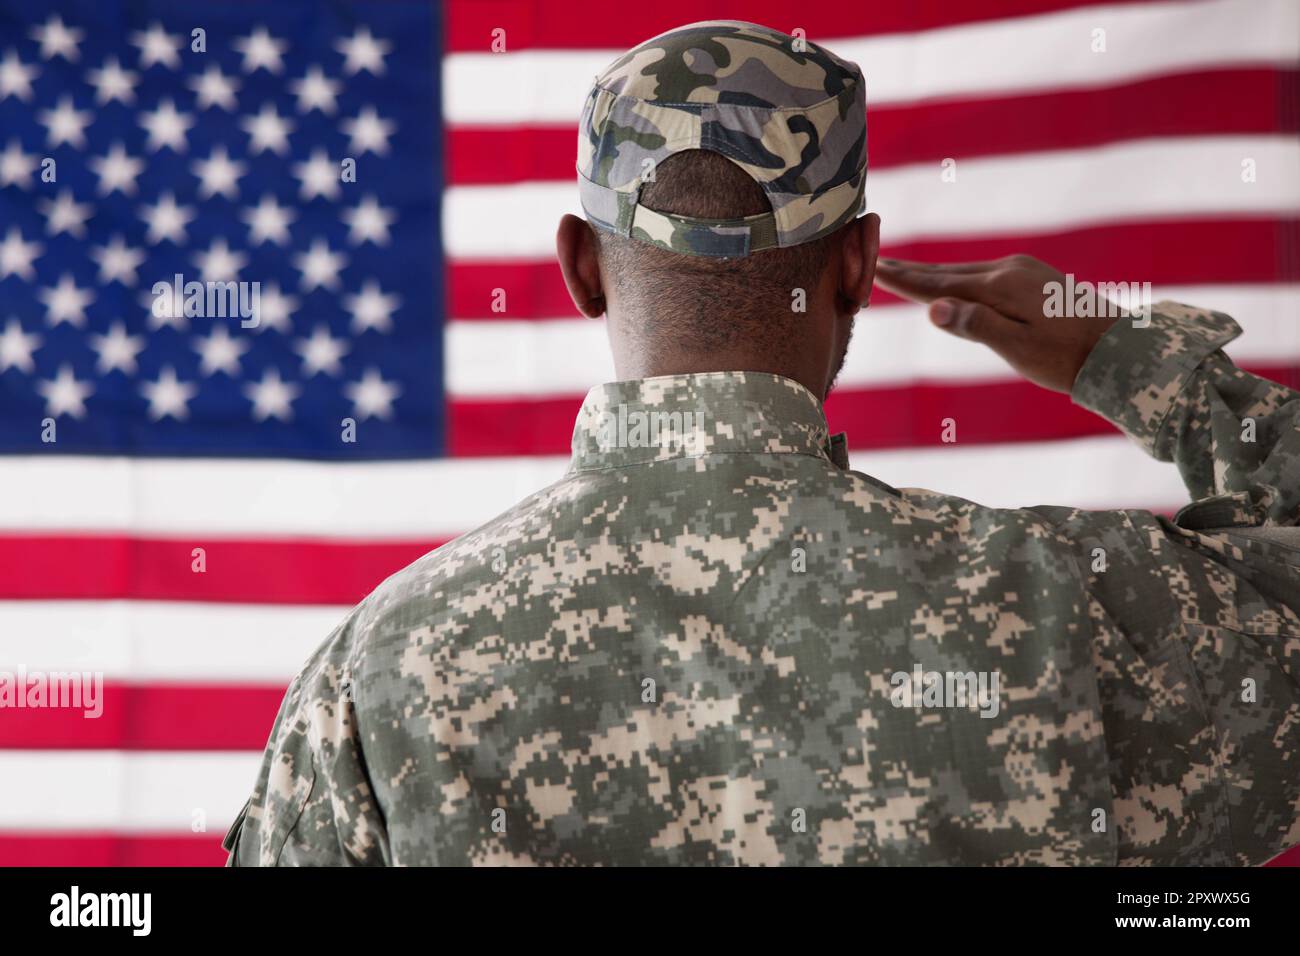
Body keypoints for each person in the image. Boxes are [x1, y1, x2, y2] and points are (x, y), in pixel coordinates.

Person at [226, 21, 1299, 866]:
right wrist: (1144, 366)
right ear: (854, 266)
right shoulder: (1056, 604)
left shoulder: (383, 664)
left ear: (580, 267)